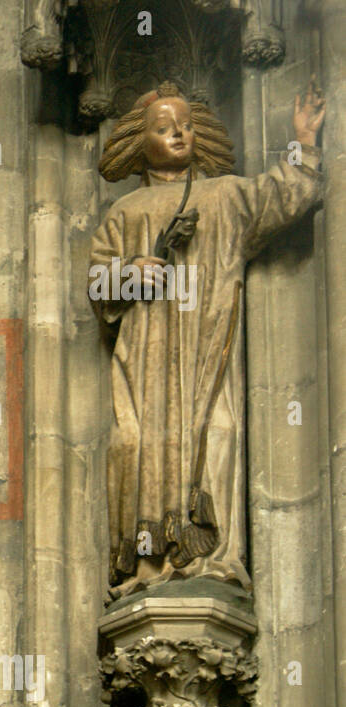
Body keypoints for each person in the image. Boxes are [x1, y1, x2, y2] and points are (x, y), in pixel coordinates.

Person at [90, 80, 326, 603]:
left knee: (217, 433)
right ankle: (149, 567)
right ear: (140, 140)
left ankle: (213, 560)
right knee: (136, 445)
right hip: (147, 358)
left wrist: (304, 142)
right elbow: (96, 288)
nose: (179, 134)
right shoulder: (125, 213)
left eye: (187, 125)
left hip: (208, 348)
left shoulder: (224, 197)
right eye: (164, 127)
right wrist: (131, 272)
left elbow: (286, 192)